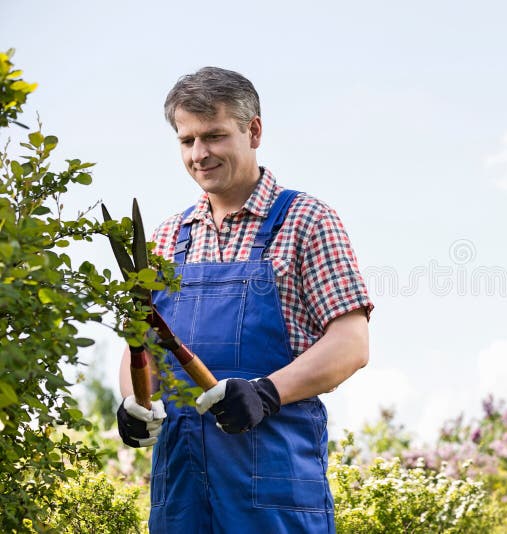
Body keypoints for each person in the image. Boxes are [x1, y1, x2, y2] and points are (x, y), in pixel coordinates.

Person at [116, 66, 373, 533]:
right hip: (180, 493)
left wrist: (265, 393)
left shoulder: (307, 221)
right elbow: (142, 347)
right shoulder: (168, 237)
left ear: (253, 131)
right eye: (187, 140)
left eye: (213, 136)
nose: (200, 154)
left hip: (273, 491)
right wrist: (134, 402)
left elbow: (351, 343)